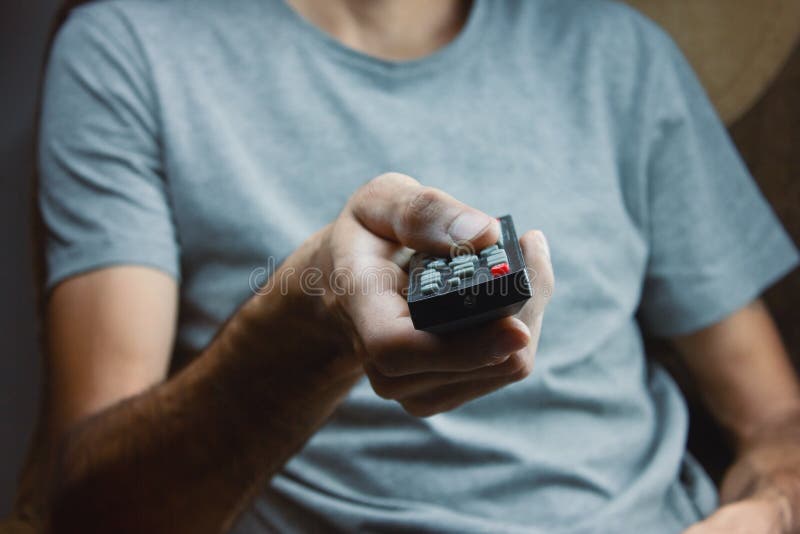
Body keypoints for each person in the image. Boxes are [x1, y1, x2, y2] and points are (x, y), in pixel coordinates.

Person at [9, 0, 800, 532]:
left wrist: (769, 509)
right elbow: (89, 504)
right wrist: (310, 324)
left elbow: (775, 421)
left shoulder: (619, 51)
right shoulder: (129, 44)